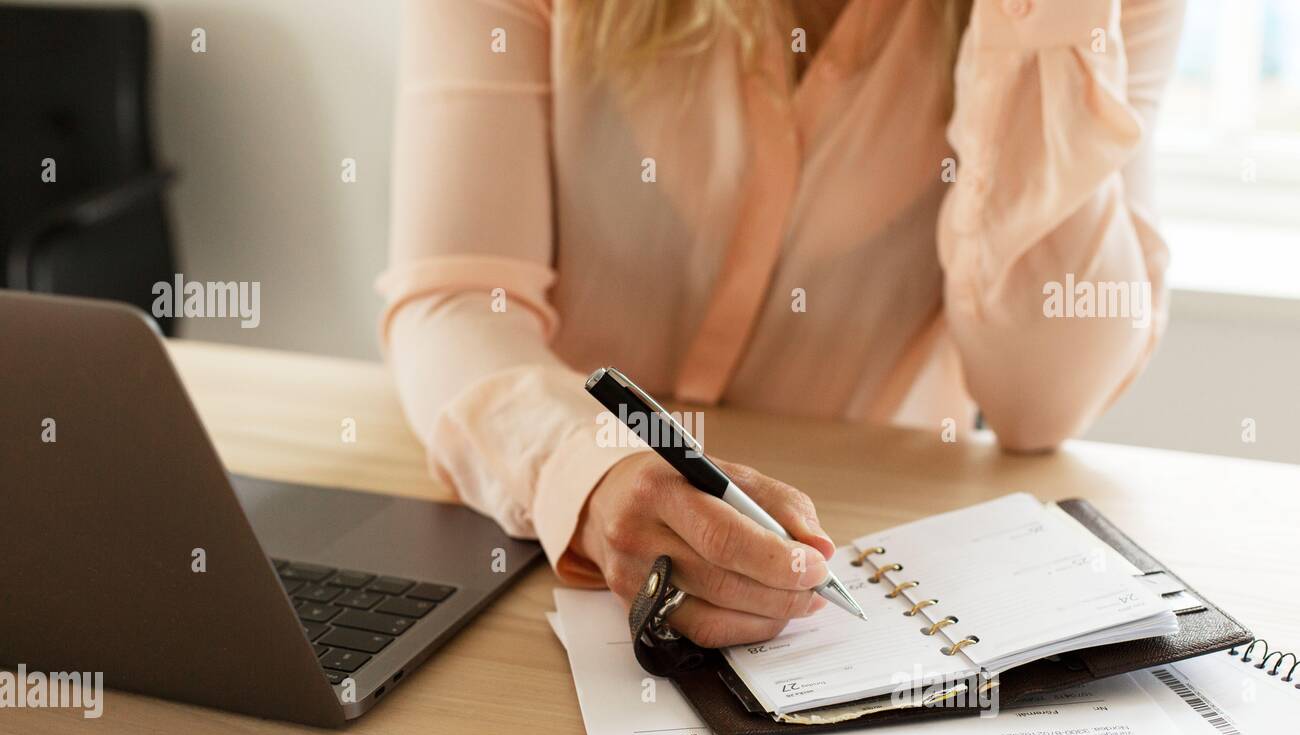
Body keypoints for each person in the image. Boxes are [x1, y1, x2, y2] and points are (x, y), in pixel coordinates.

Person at [377, 0, 1183, 648]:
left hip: (875, 560)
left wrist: (1039, 26)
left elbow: (1042, 401)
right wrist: (592, 475)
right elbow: (457, 300)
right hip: (526, 563)